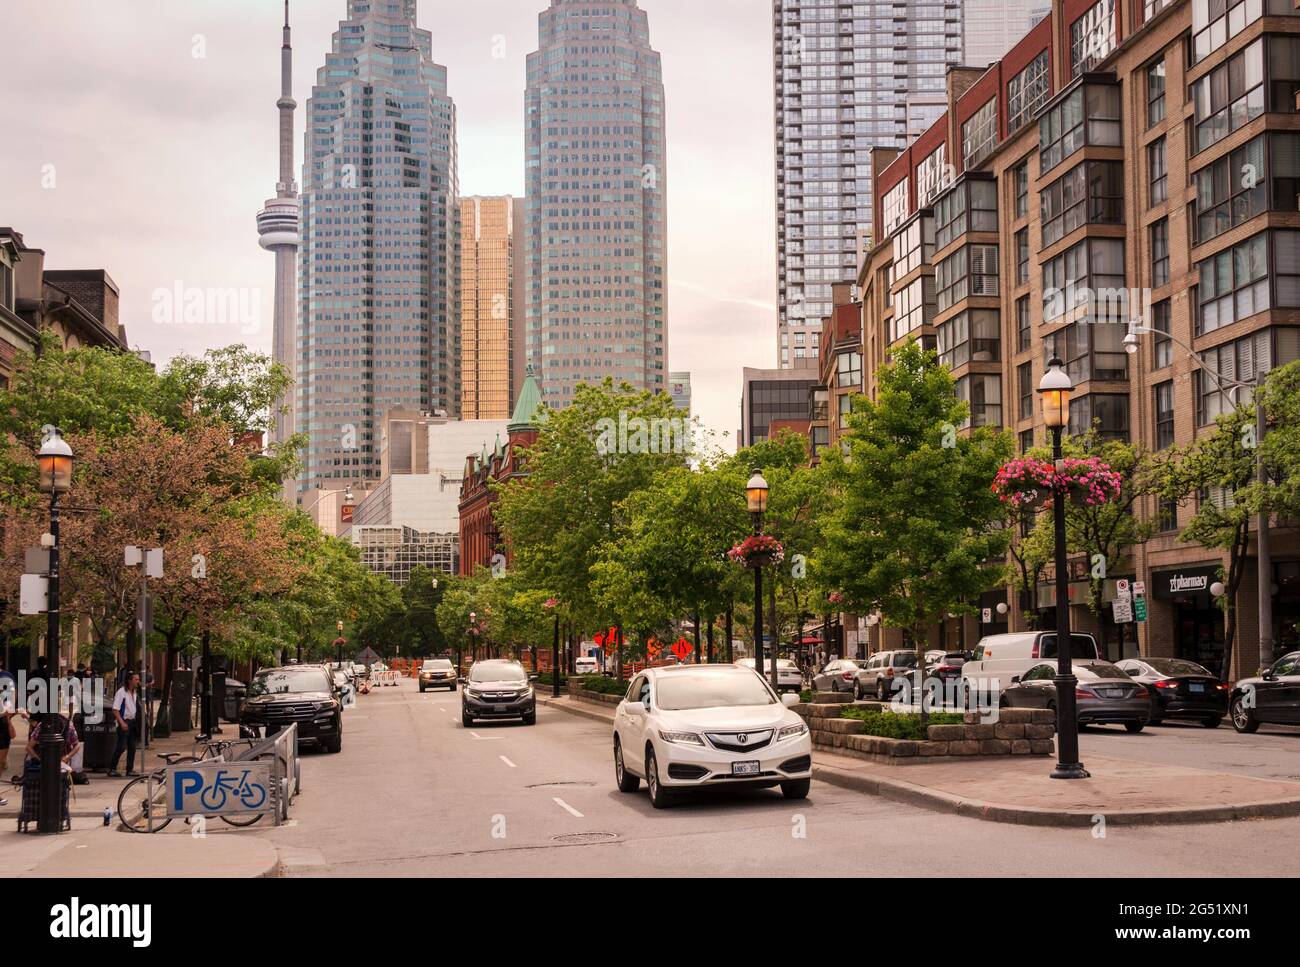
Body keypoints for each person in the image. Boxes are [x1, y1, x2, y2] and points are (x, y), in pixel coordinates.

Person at [108, 672, 142, 777]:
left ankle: (129, 769)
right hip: (124, 721)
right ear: (129, 680)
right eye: (136, 679)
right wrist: (121, 722)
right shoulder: (121, 692)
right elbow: (115, 709)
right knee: (121, 746)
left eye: (138, 679)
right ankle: (112, 768)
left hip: (132, 722)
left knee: (132, 746)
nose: (138, 682)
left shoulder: (134, 692)